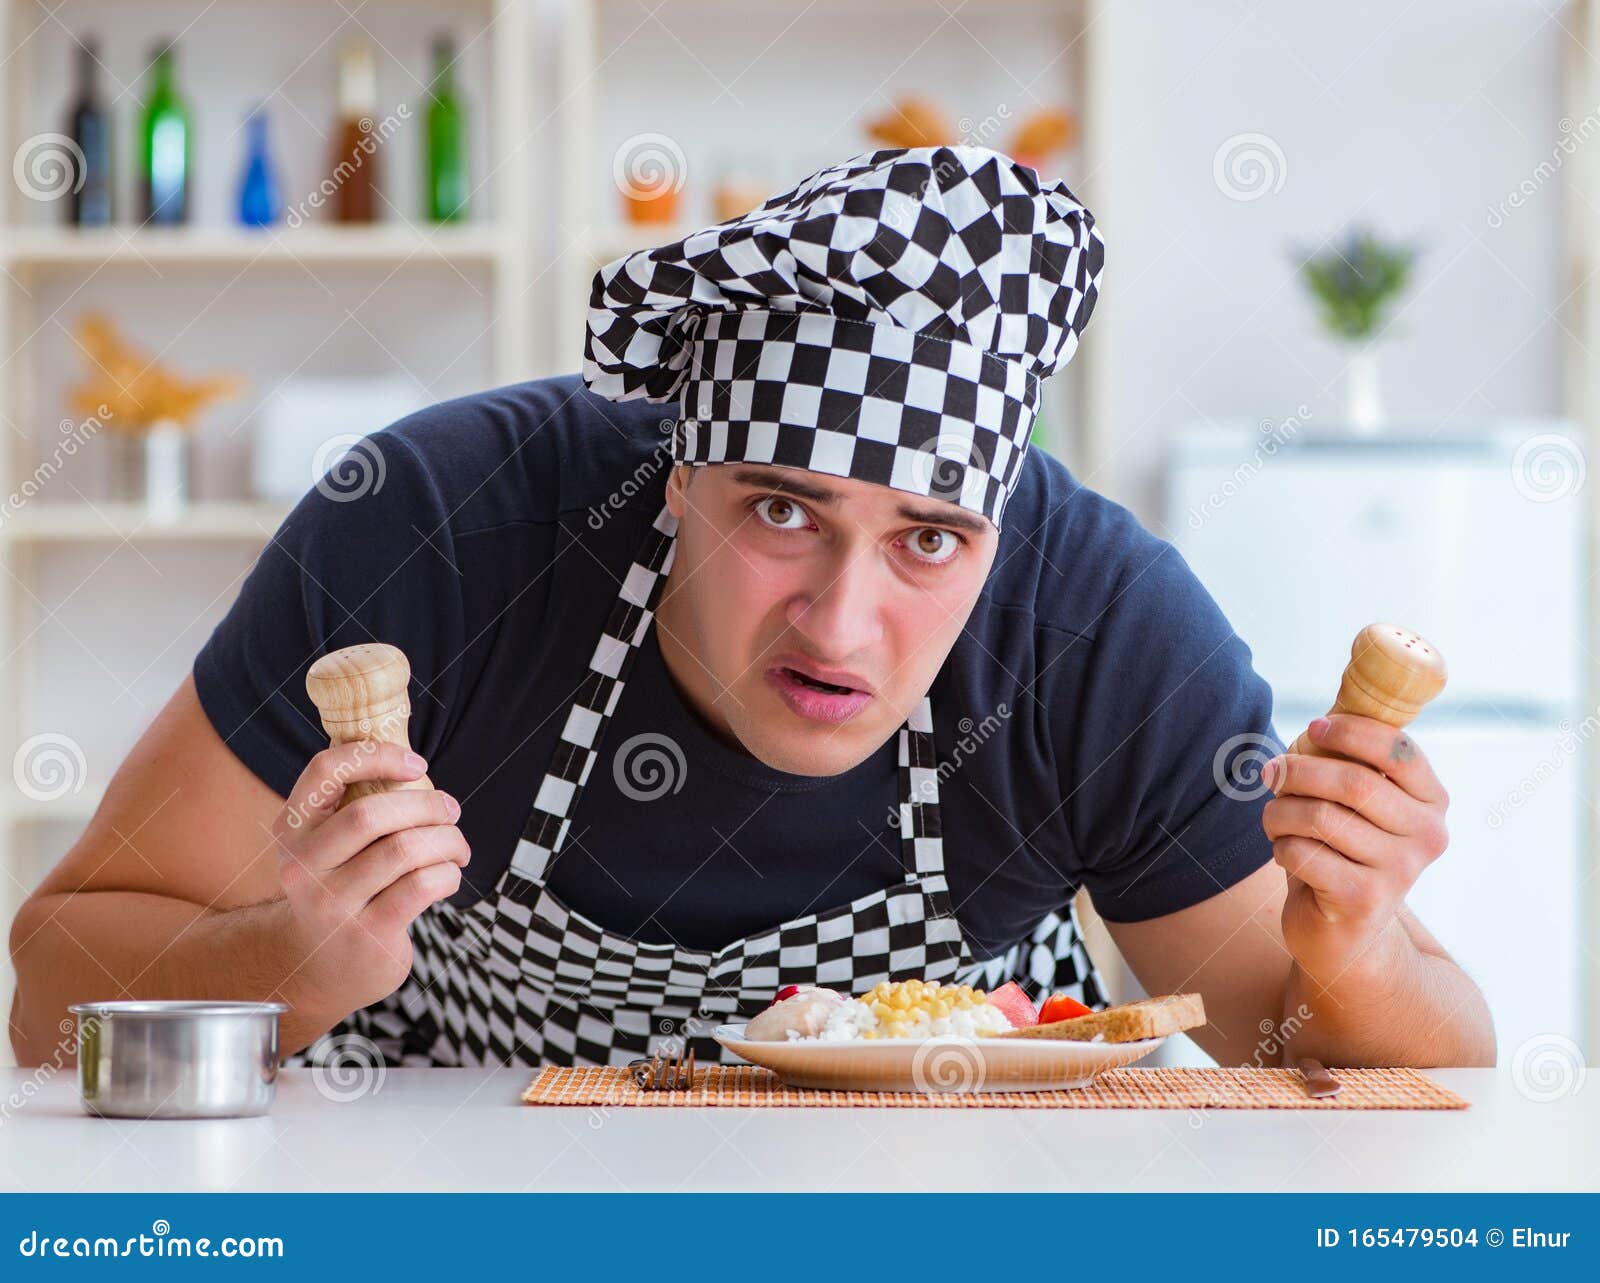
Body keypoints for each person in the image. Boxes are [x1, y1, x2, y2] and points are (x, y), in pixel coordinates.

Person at [9, 147, 1493, 1069]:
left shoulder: (1098, 627)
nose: (841, 627)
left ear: (1001, 530)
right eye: (782, 513)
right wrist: (298, 953)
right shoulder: (439, 530)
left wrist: (1358, 955)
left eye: (928, 542)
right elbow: (49, 991)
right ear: (674, 474)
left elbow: (1370, 1075)